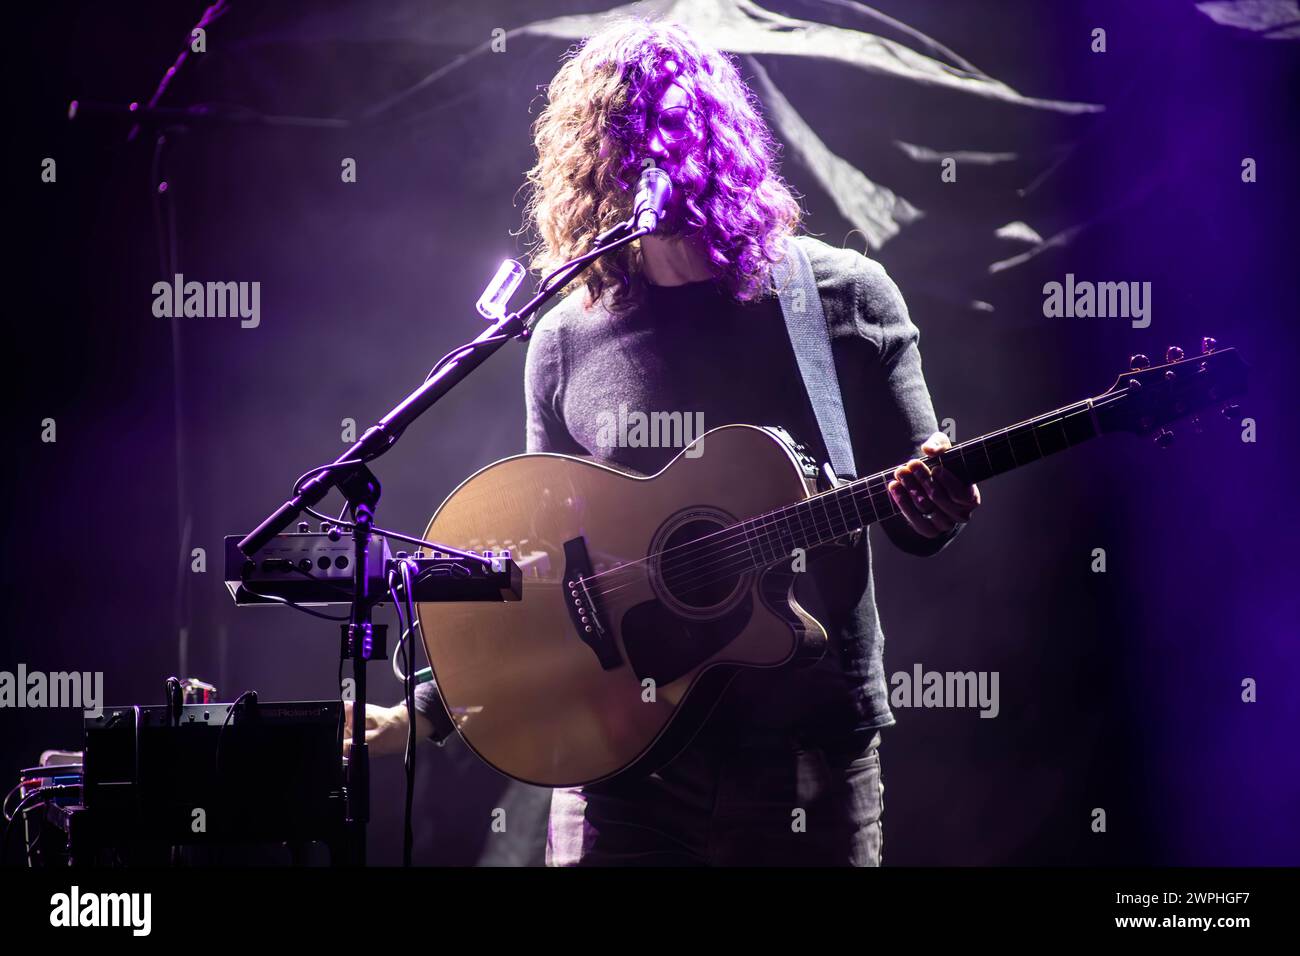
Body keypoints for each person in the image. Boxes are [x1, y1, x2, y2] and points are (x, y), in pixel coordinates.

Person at [354, 19, 980, 867]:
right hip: (618, 774)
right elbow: (552, 580)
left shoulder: (841, 297)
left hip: (805, 758)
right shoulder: (566, 334)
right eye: (624, 147)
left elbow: (914, 516)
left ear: (717, 144)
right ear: (591, 168)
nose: (656, 168)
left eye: (672, 139)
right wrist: (429, 709)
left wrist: (939, 504)